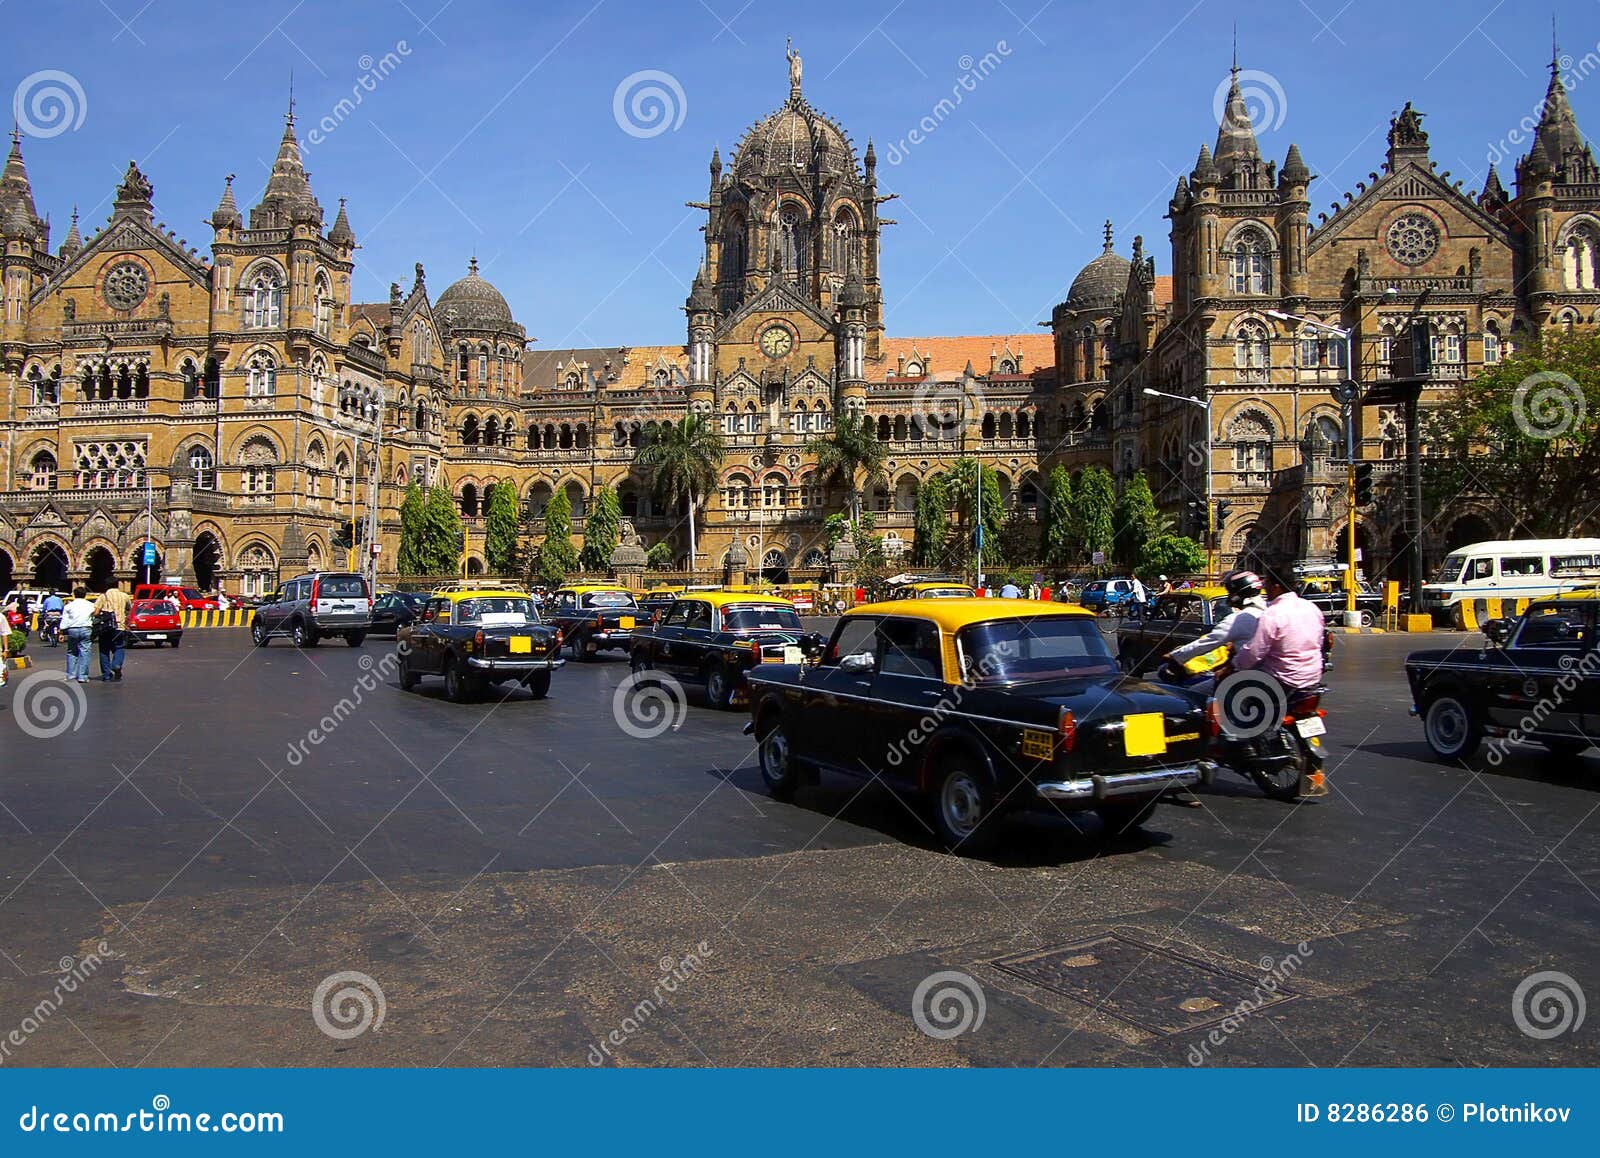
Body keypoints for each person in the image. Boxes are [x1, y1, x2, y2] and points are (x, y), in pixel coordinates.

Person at [1233, 560, 1326, 695]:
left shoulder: (1273, 613)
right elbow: (1319, 642)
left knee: (1233, 694)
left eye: (1267, 583)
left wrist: (1235, 665)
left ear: (1276, 586)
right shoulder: (1312, 608)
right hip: (1313, 678)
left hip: (1282, 681)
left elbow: (1254, 652)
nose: (1264, 587)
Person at [1165, 571, 1268, 671]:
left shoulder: (1239, 618)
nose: (1230, 597)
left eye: (1230, 593)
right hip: (1266, 673)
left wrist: (1176, 656)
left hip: (1247, 676)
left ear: (1238, 594)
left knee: (1198, 688)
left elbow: (1208, 642)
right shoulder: (1270, 610)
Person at [94, 579, 132, 682]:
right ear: (117, 585)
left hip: (106, 628)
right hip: (120, 627)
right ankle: (116, 664)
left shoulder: (103, 596)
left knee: (104, 650)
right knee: (119, 647)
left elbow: (96, 612)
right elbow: (129, 608)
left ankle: (106, 675)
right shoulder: (124, 596)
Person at [61, 586, 95, 684]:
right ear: (85, 595)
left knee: (72, 652)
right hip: (86, 629)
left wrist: (61, 632)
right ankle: (82, 676)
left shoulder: (69, 606)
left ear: (74, 595)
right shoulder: (90, 605)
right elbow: (94, 615)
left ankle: (71, 675)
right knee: (85, 652)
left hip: (73, 630)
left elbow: (64, 620)